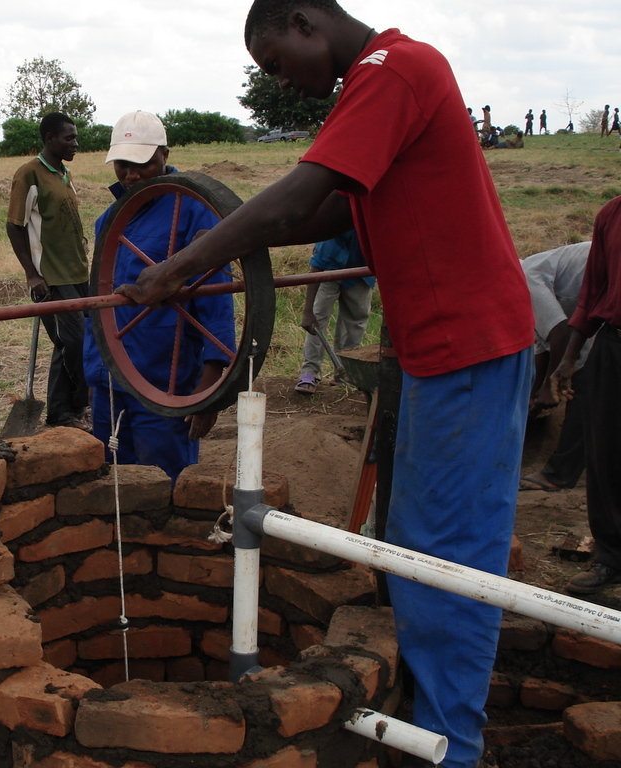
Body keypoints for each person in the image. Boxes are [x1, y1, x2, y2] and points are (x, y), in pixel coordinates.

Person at [117, 4, 534, 767]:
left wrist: (180, 268)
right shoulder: (373, 86)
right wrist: (219, 233)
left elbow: (304, 191)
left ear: (307, 21)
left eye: (277, 62)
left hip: (467, 349)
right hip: (439, 352)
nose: (283, 80)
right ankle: (432, 723)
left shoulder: (393, 69)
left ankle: (453, 746)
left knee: (447, 554)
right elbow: (328, 207)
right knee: (414, 543)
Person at [82, 111, 235, 482]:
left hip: (164, 383)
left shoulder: (194, 211)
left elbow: (216, 301)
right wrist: (92, 375)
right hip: (110, 378)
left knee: (165, 484)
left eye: (143, 164)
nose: (131, 175)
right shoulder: (109, 220)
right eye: (122, 165)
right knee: (113, 483)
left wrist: (208, 390)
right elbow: (99, 301)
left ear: (164, 155)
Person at [552, 196, 621, 596]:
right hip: (613, 347)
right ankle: (611, 557)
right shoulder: (612, 215)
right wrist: (569, 357)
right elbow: (593, 291)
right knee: (605, 455)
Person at [6, 113, 90, 429]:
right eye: (69, 138)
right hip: (51, 277)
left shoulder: (64, 173)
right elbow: (14, 226)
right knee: (75, 343)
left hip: (79, 272)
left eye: (75, 137)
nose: (76, 144)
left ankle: (61, 413)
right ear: (50, 138)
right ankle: (82, 402)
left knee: (69, 343)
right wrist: (32, 274)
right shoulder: (29, 174)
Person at [519, 242, 592, 492]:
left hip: (605, 310)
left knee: (585, 385)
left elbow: (559, 333)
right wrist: (536, 392)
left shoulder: (524, 280)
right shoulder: (527, 278)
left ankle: (557, 475)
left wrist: (551, 387)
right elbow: (543, 347)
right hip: (597, 310)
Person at [294, 229, 374, 394]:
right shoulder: (329, 240)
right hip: (328, 272)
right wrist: (308, 311)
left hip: (361, 271)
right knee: (318, 317)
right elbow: (316, 267)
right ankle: (310, 372)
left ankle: (345, 373)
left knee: (355, 321)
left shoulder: (370, 235)